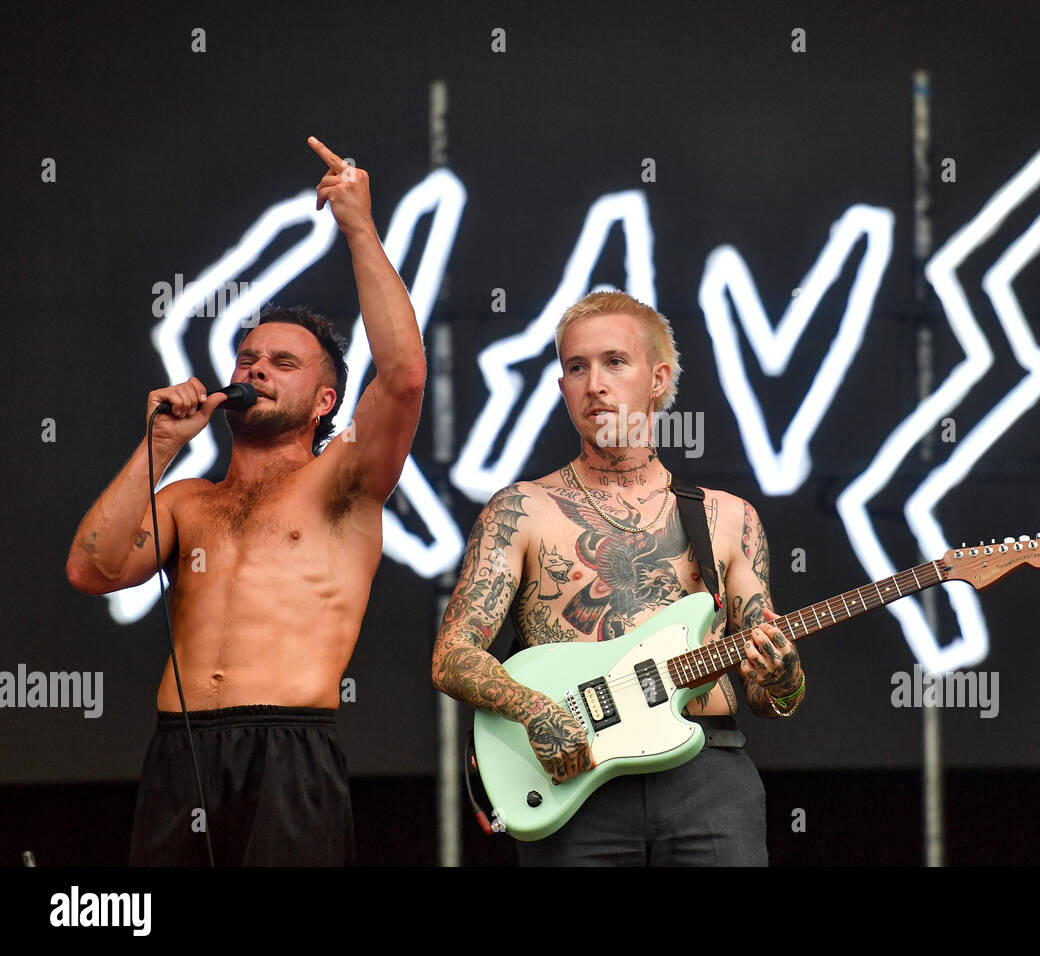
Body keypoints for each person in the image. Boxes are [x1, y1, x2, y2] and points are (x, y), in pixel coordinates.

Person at [65, 137, 426, 866]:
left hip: (290, 749)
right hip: (181, 751)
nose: (256, 368)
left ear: (326, 400)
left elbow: (405, 376)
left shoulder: (343, 483)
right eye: (248, 358)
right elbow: (92, 571)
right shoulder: (188, 500)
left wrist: (357, 225)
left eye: (282, 363)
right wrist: (160, 447)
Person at [431, 291, 806, 865]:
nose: (594, 384)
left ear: (657, 379)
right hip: (574, 778)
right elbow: (452, 654)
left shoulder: (728, 518)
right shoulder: (522, 510)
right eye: (576, 368)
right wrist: (534, 711)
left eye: (614, 362)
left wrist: (784, 676)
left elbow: (767, 694)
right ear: (562, 390)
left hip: (709, 776)